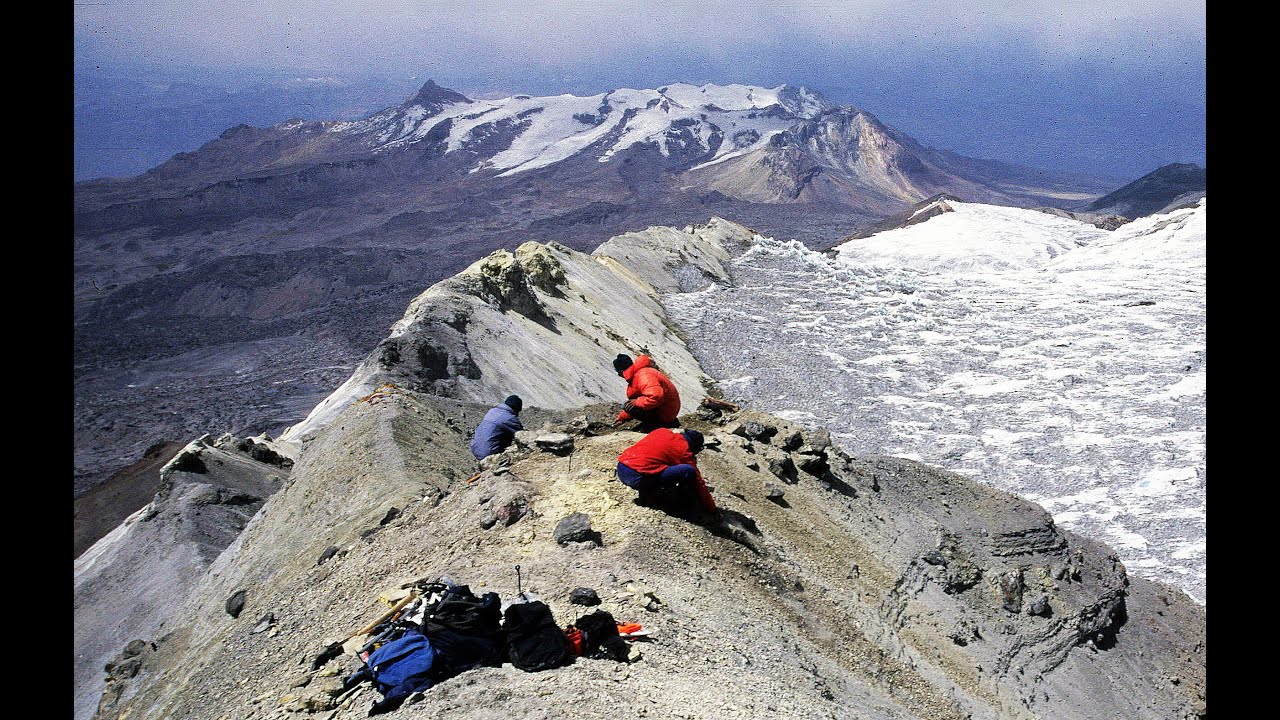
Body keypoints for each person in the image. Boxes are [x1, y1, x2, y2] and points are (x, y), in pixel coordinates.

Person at [616, 428, 717, 519]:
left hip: (622, 468)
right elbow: (698, 481)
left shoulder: (662, 431)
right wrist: (712, 509)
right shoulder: (684, 450)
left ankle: (649, 496)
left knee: (656, 466)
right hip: (637, 478)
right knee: (688, 470)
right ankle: (686, 511)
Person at [612, 353, 681, 431]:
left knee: (632, 405)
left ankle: (656, 425)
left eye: (619, 372)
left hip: (666, 412)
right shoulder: (638, 374)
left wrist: (636, 402)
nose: (619, 375)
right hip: (666, 409)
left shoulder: (644, 376)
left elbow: (655, 396)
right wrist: (622, 417)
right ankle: (653, 424)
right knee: (631, 405)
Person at [470, 395, 524, 460]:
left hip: (475, 449)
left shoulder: (492, 411)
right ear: (516, 408)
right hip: (488, 453)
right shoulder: (509, 418)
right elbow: (522, 434)